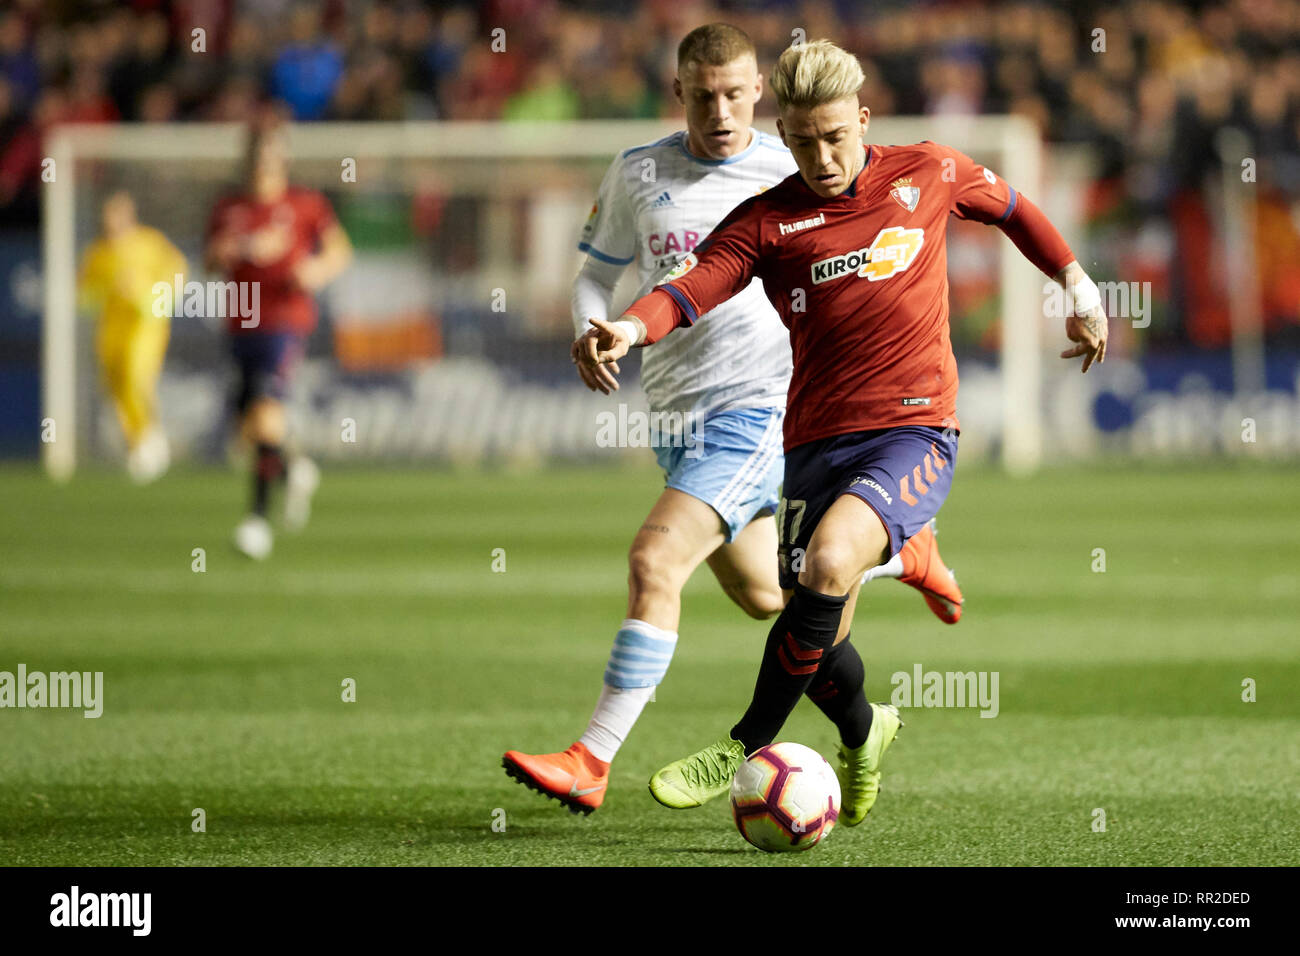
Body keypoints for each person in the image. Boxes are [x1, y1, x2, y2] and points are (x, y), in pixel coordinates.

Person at [580, 39, 1109, 826]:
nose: (821, 157)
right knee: (814, 637)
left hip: (915, 434)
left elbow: (1013, 208)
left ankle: (739, 745)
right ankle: (866, 734)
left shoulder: (927, 171)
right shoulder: (768, 220)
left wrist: (1076, 282)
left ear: (862, 119)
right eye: (800, 141)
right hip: (815, 446)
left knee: (829, 564)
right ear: (784, 134)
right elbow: (691, 286)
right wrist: (629, 327)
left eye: (834, 136)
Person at [502, 26, 963, 817]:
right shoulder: (638, 173)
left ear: (761, 94)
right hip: (678, 418)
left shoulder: (799, 165)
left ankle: (592, 757)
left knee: (655, 561)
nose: (720, 110)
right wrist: (594, 324)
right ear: (678, 92)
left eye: (735, 93)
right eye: (702, 94)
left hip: (756, 411)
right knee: (770, 601)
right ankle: (895, 568)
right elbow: (597, 274)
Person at [205, 118, 352, 559]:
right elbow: (210, 261)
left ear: (282, 157)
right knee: (246, 425)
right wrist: (235, 251)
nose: (264, 160)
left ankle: (256, 522)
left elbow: (339, 252)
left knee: (267, 415)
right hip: (242, 320)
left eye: (271, 151)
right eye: (257, 151)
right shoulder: (228, 207)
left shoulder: (305, 204)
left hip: (285, 322)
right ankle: (292, 469)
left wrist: (314, 271)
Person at [78, 191, 184, 482]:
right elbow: (85, 295)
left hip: (145, 328)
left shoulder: (150, 243)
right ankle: (139, 444)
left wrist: (148, 298)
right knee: (117, 388)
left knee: (136, 378)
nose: (110, 222)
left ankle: (152, 439)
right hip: (112, 330)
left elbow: (176, 275)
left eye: (116, 215)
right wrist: (109, 290)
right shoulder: (98, 253)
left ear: (129, 215)